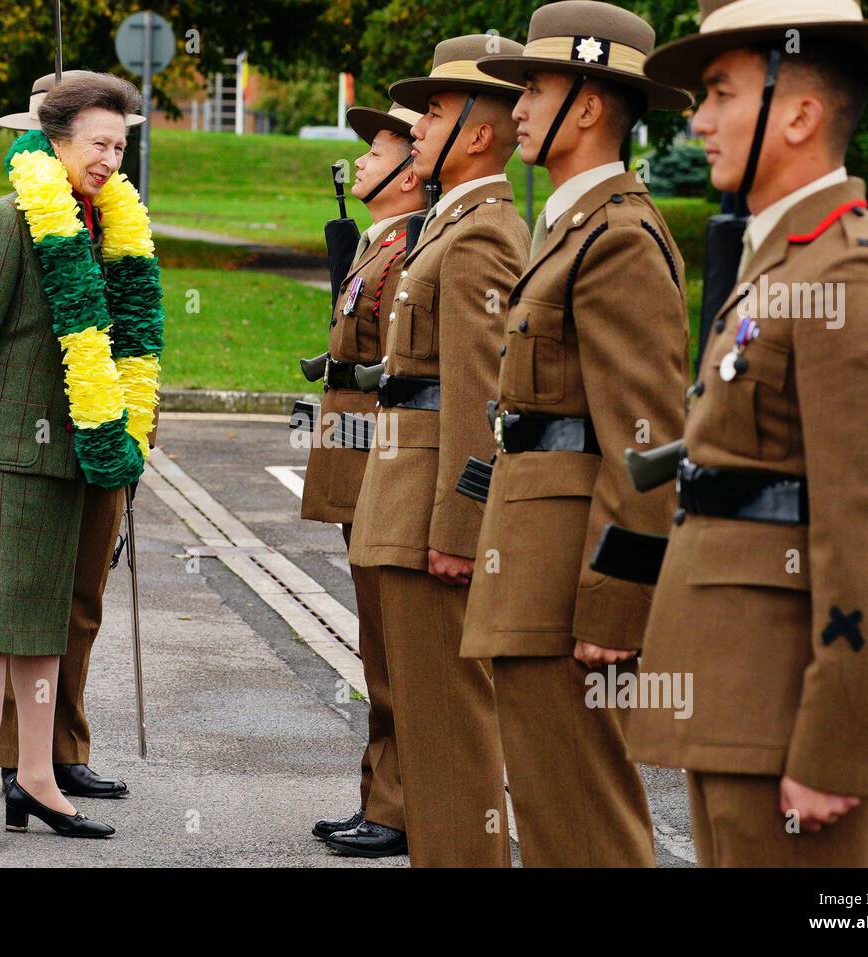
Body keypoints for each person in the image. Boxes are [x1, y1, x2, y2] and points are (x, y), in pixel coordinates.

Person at [627, 0, 868, 867]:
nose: (700, 119)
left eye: (720, 93)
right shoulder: (783, 258)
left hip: (787, 719)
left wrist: (834, 748)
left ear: (799, 113)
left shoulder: (849, 274)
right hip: (734, 701)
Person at [460, 0, 693, 867]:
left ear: (589, 106)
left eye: (536, 87)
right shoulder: (570, 227)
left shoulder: (621, 237)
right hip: (532, 566)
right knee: (557, 816)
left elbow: (645, 440)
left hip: (569, 587)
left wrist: (615, 602)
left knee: (585, 820)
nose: (515, 107)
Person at [0, 70, 162, 852]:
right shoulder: (7, 220)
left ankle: (39, 779)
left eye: (120, 144)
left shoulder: (102, 228)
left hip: (70, 464)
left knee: (43, 636)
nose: (110, 156)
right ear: (55, 140)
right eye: (98, 142)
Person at [347, 34, 530, 867]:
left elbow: (477, 395)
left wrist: (461, 525)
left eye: (436, 112)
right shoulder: (448, 224)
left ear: (481, 134)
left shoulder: (484, 232)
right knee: (422, 718)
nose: (417, 126)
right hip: (398, 492)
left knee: (450, 733)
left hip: (430, 507)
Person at [302, 101, 424, 858]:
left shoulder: (411, 247)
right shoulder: (382, 242)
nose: (366, 164)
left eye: (381, 152)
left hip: (383, 448)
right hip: (355, 444)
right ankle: (379, 795)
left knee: (395, 650)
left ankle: (400, 804)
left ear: (415, 171)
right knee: (377, 646)